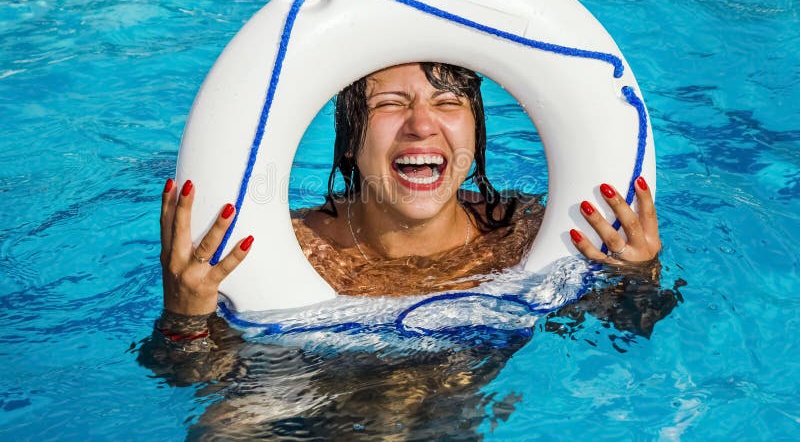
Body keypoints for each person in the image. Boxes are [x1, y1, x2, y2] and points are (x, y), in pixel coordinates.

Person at [142, 62, 675, 437]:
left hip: (459, 409)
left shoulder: (526, 235)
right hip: (297, 407)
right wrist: (183, 318)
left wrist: (638, 275)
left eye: (448, 103)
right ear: (351, 139)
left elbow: (624, 335)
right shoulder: (280, 248)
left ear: (475, 134)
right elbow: (185, 381)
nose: (422, 124)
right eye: (390, 104)